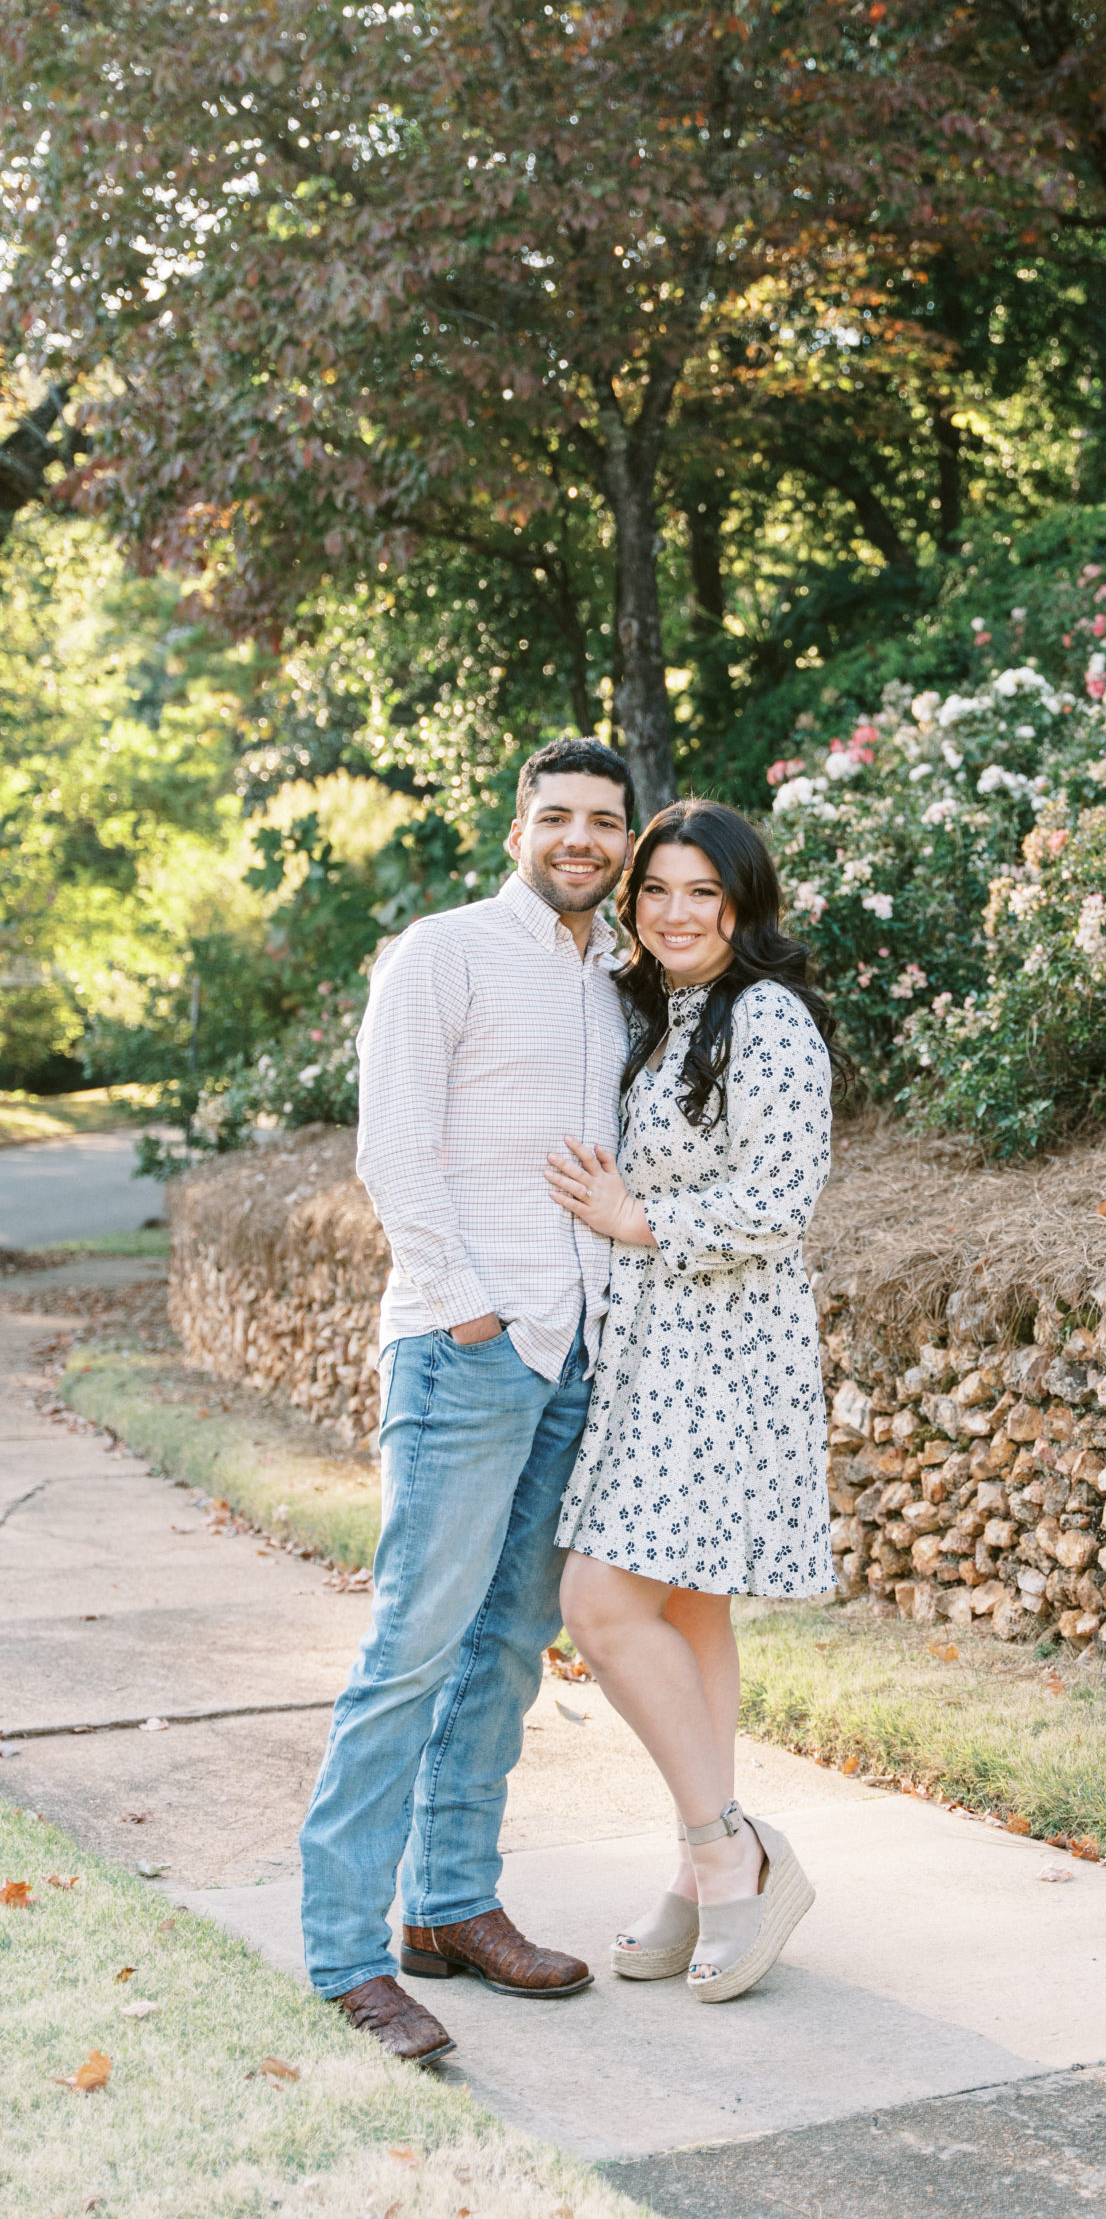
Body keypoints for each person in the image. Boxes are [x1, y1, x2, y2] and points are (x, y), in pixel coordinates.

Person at [296, 736, 635, 2063]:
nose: (582, 840)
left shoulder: (613, 983)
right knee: (409, 1653)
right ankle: (344, 1955)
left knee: (503, 1647)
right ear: (520, 826)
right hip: (465, 1351)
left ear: (623, 838)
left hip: (573, 1357)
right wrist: (464, 1307)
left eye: (604, 822)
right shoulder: (438, 952)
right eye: (558, 816)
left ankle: (448, 1909)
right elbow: (394, 1146)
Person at [546, 799, 839, 2005]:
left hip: (728, 1349)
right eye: (655, 890)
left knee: (600, 1601)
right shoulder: (664, 1015)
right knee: (693, 1608)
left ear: (741, 905)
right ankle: (698, 1862)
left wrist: (639, 1220)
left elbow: (783, 1196)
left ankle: (731, 1855)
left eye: (700, 894)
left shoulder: (765, 1018)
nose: (673, 912)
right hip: (659, 1345)